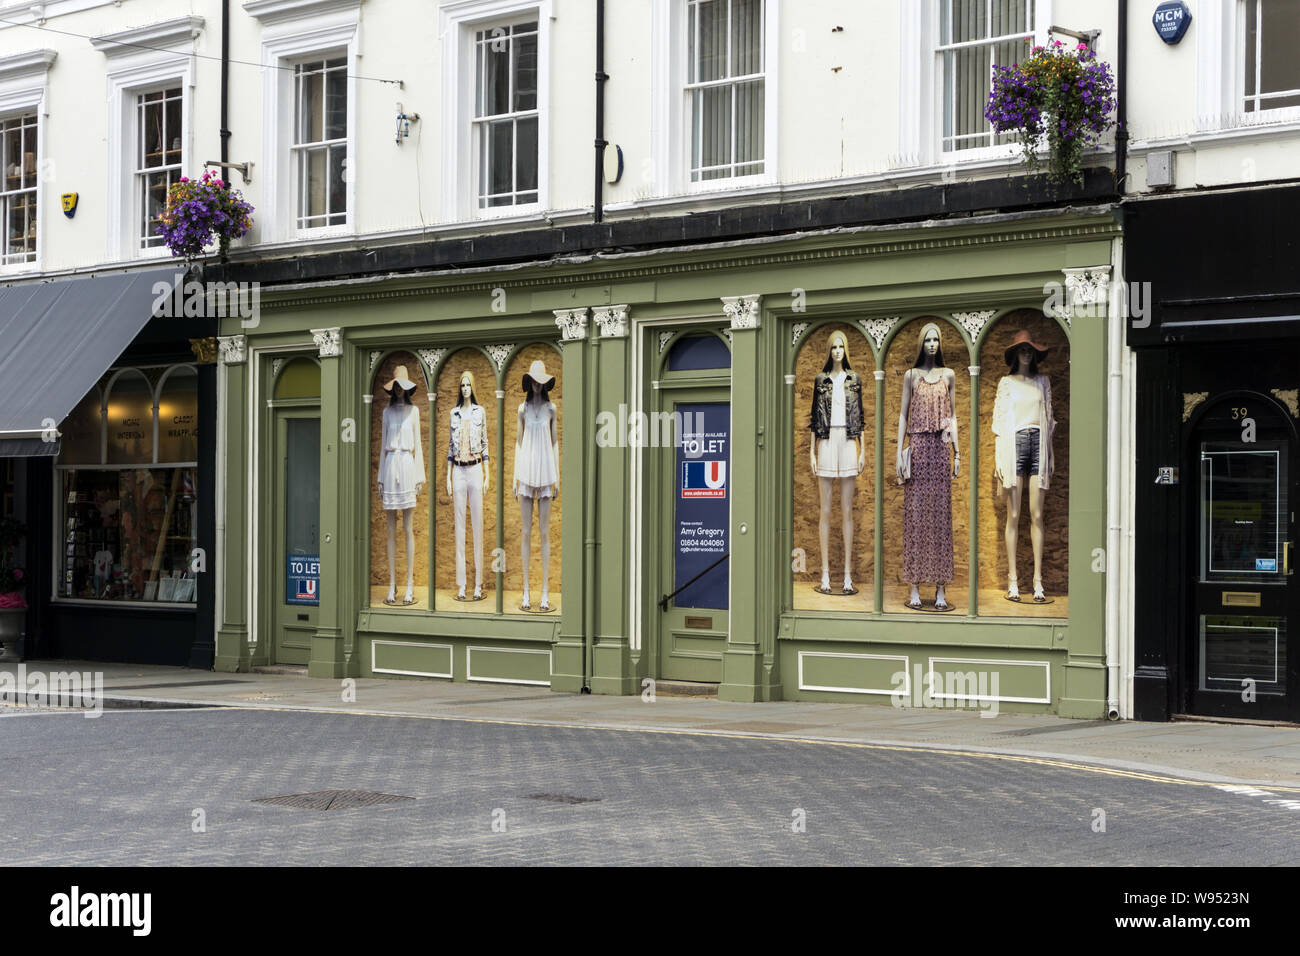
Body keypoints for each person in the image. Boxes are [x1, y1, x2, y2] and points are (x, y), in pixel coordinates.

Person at [896, 323, 960, 610]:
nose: (932, 344)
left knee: (940, 519)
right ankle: (914, 587)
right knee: (916, 518)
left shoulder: (949, 376)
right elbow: (902, 414)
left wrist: (957, 453)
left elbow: (953, 417)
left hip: (940, 448)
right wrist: (899, 452)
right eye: (928, 340)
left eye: (936, 339)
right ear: (921, 343)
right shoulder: (911, 376)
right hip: (919, 447)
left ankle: (941, 589)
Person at [992, 330, 1056, 603]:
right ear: (1015, 354)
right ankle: (1013, 581)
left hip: (1038, 444)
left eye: (1030, 349)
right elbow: (998, 424)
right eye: (1022, 349)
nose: (1026, 353)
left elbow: (1049, 422)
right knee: (1014, 515)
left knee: (1037, 514)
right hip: (1014, 444)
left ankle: (1038, 582)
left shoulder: (1043, 381)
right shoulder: (1005, 383)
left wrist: (1050, 455)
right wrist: (998, 463)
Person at [808, 330, 866, 594]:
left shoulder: (855, 379)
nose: (838, 351)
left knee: (846, 511)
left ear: (846, 350)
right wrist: (812, 452)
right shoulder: (821, 380)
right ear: (829, 351)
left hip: (848, 440)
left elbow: (861, 416)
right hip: (826, 441)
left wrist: (863, 449)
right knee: (825, 511)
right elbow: (813, 419)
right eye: (834, 347)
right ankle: (825, 576)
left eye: (841, 347)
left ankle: (846, 577)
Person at [513, 359, 559, 611]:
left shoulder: (552, 409)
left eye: (541, 381)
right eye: (534, 380)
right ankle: (526, 591)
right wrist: (514, 476)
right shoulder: (522, 409)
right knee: (526, 532)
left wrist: (557, 476)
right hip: (526, 470)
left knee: (543, 533)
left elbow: (554, 443)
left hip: (545, 471)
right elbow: (518, 442)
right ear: (529, 382)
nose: (537, 385)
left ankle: (544, 592)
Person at [377, 366, 425, 605]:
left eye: (401, 386)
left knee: (408, 528)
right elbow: (383, 445)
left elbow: (418, 445)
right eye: (395, 386)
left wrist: (418, 477)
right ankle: (392, 584)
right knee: (390, 530)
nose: (398, 390)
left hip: (407, 464)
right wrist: (380, 478)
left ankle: (409, 584)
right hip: (390, 464)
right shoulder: (386, 413)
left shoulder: (414, 412)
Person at [446, 371, 490, 601]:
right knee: (460, 530)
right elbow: (450, 450)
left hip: (474, 469)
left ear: (473, 387)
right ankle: (462, 585)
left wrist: (487, 474)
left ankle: (478, 584)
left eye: (468, 385)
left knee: (478, 528)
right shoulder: (453, 414)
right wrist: (448, 476)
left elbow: (485, 445)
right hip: (459, 472)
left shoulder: (479, 412)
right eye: (462, 385)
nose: (465, 388)